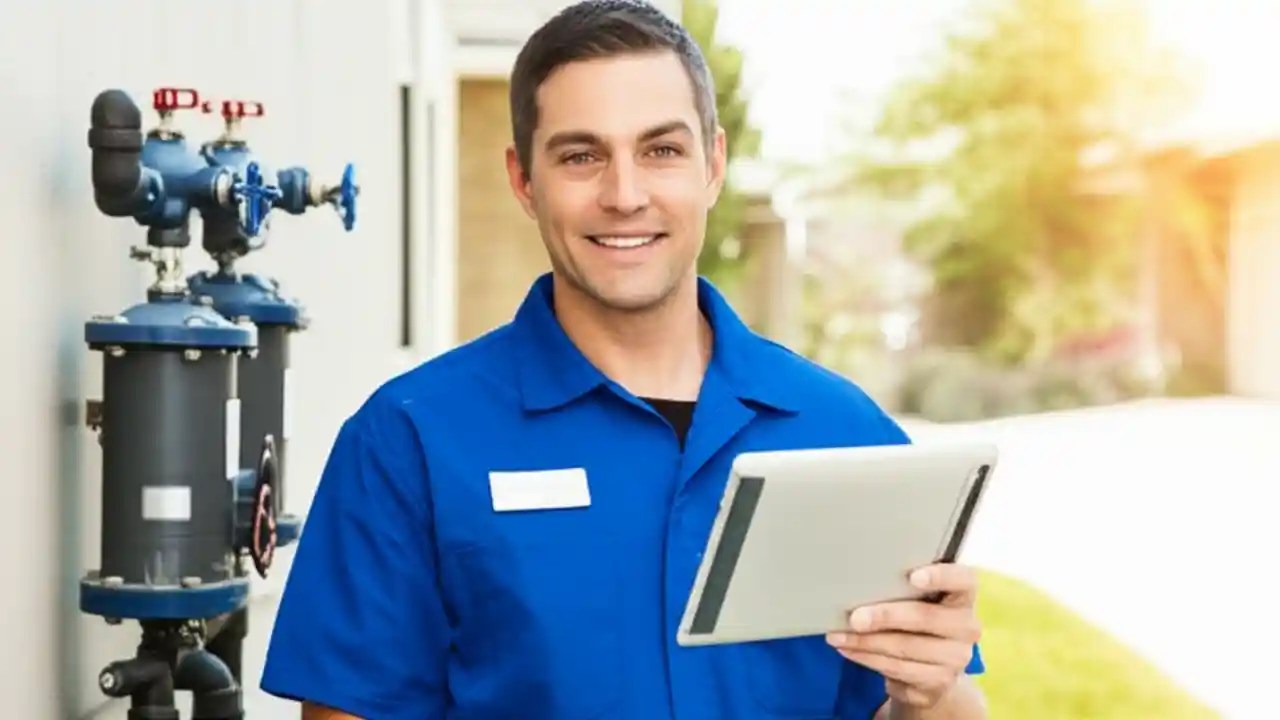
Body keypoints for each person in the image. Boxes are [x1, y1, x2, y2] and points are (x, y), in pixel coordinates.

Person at [260, 1, 988, 718]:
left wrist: (932, 693)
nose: (625, 195)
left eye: (661, 151)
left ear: (713, 166)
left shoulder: (841, 431)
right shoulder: (409, 440)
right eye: (582, 157)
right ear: (523, 180)